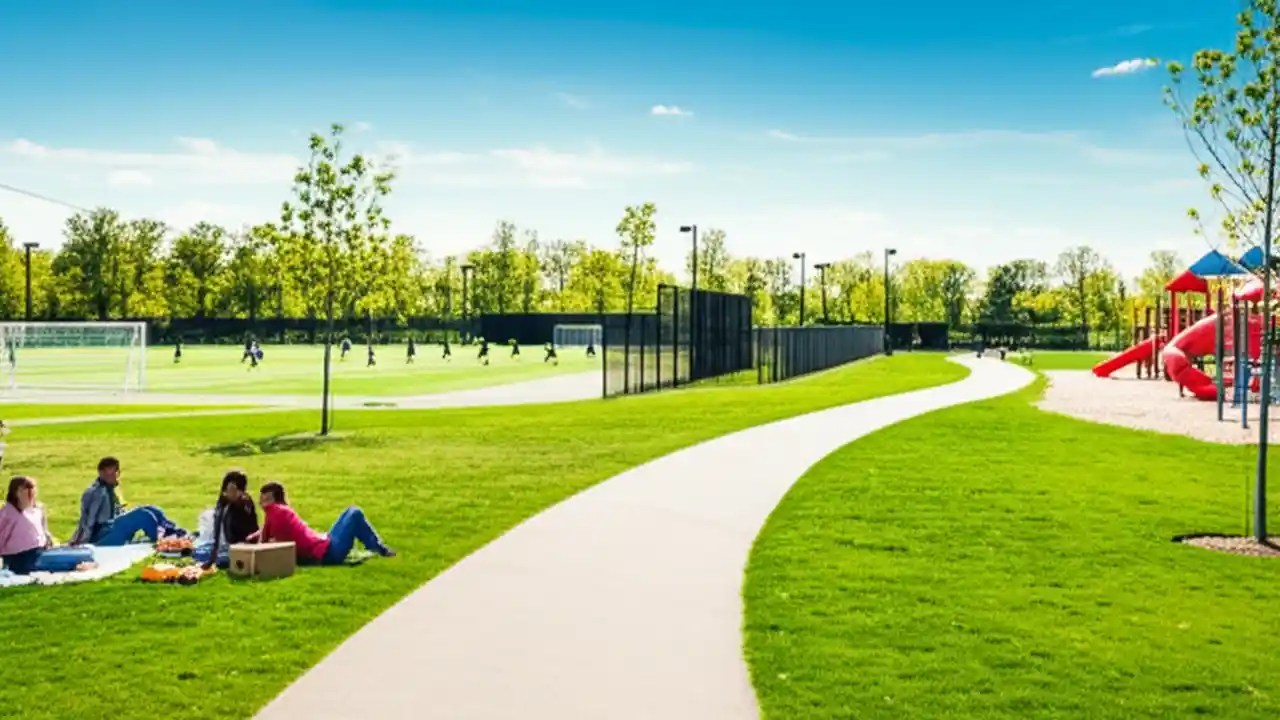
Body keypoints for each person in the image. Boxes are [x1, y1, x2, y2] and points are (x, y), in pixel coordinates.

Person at [249, 482, 395, 564]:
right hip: (327, 553)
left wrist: (250, 541)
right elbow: (263, 536)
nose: (262, 503)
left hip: (325, 548)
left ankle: (377, 547)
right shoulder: (279, 513)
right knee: (354, 512)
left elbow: (262, 537)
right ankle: (378, 548)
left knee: (351, 513)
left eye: (266, 499)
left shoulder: (277, 512)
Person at [69, 457, 185, 546]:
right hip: (101, 536)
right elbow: (87, 520)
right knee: (143, 516)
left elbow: (120, 511)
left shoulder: (112, 489)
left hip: (113, 527)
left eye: (115, 473)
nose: (113, 476)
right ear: (101, 473)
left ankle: (174, 532)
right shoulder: (95, 492)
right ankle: (163, 543)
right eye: (108, 474)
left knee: (152, 509)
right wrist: (80, 542)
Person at [0, 476, 95, 575]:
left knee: (87, 552)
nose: (29, 492)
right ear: (15, 493)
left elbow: (44, 532)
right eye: (24, 489)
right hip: (21, 557)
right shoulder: (8, 513)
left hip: (40, 551)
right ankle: (76, 565)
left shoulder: (38, 509)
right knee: (72, 559)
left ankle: (79, 564)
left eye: (32, 488)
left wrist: (54, 543)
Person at [197, 470, 260, 570]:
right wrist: (212, 556)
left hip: (242, 545)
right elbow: (217, 529)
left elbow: (249, 530)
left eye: (235, 489)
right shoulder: (223, 502)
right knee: (199, 551)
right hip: (225, 545)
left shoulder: (245, 503)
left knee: (223, 561)